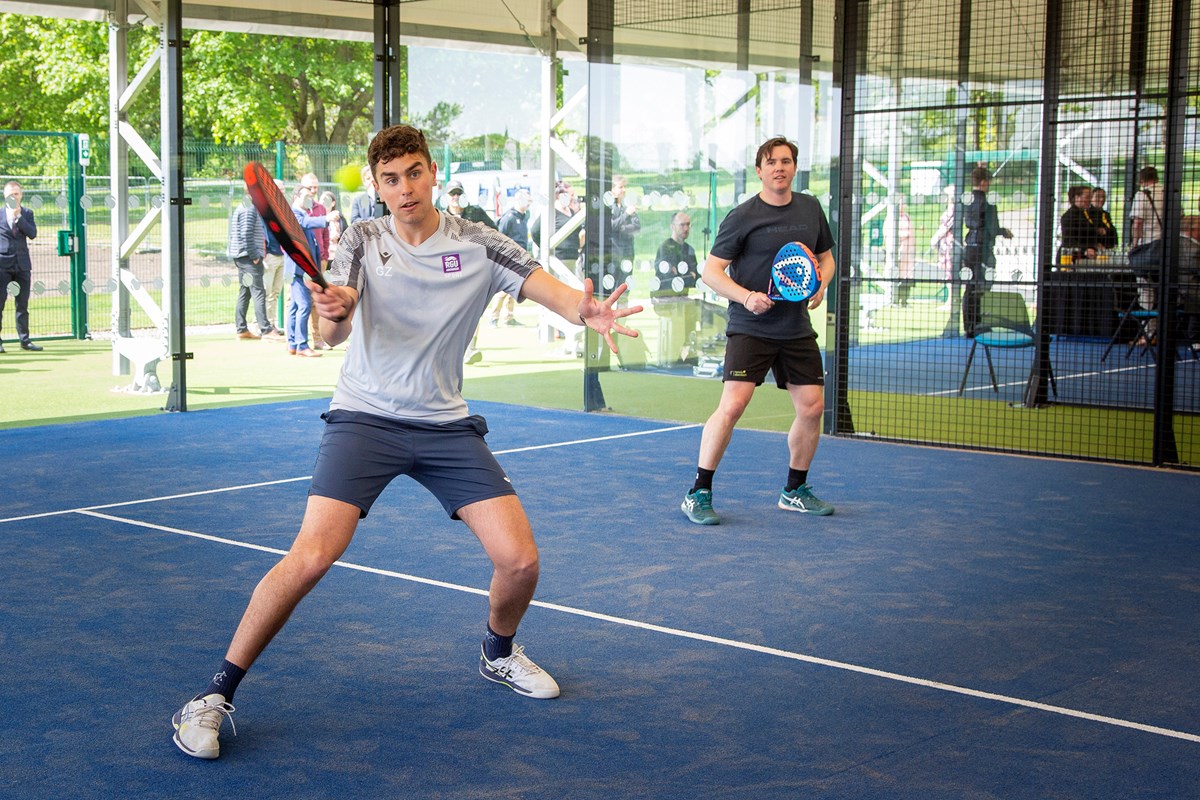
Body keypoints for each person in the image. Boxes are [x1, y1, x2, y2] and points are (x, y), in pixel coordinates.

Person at [170, 124, 642, 760]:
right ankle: (214, 695)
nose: (404, 187)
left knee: (520, 561)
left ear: (432, 173)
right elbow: (333, 330)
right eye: (390, 178)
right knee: (310, 557)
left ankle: (498, 652)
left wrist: (590, 311)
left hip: (446, 426)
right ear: (376, 185)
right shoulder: (363, 239)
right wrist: (333, 311)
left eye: (414, 172)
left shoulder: (481, 243)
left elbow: (557, 296)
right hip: (364, 420)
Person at [679, 136, 836, 526]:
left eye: (786, 161)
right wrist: (747, 297)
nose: (779, 167)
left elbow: (826, 259)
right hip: (750, 327)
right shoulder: (742, 216)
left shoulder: (811, 208)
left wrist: (821, 283)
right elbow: (711, 272)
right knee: (732, 406)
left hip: (796, 327)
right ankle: (698, 491)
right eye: (771, 162)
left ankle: (794, 490)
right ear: (760, 170)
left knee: (812, 408)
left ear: (794, 168)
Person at [283, 184, 337, 358]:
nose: (309, 200)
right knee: (304, 306)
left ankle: (293, 344)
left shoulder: (302, 212)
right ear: (296, 198)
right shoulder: (294, 214)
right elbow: (304, 223)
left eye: (310, 197)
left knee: (295, 307)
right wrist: (326, 218)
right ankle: (302, 345)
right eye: (305, 196)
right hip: (298, 270)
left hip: (301, 269)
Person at [961, 166, 1012, 337]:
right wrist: (1003, 231)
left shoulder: (967, 200)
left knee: (970, 286)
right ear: (983, 182)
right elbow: (992, 227)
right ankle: (979, 322)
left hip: (970, 246)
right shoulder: (988, 202)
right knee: (983, 285)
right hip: (983, 247)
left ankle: (969, 325)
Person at [228, 195, 283, 341]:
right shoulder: (249, 208)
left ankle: (242, 329)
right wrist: (255, 256)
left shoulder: (247, 206)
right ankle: (266, 330)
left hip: (243, 256)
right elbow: (246, 234)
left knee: (245, 291)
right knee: (259, 291)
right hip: (248, 257)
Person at [0, 180, 42, 352]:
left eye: (16, 194)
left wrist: (18, 218)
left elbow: (32, 233)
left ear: (21, 195)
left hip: (22, 265)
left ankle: (25, 341)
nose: (13, 197)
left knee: (22, 305)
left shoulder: (27, 213)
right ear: (4, 196)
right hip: (3, 265)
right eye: (10, 194)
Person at [652, 211, 700, 363]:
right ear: (672, 226)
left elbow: (694, 278)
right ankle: (675, 354)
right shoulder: (665, 248)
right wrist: (686, 276)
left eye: (688, 225)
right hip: (666, 298)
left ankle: (687, 352)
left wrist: (682, 276)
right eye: (682, 225)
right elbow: (670, 278)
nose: (686, 228)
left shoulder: (689, 249)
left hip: (682, 298)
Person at [1129, 166, 1165, 342]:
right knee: (1165, 289)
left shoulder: (1142, 195)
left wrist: (1134, 245)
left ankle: (1150, 333)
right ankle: (1164, 330)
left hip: (1149, 247)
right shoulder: (1168, 193)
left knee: (1146, 289)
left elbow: (1137, 223)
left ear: (1141, 180)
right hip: (1168, 248)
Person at [492, 189, 532, 326]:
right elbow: (499, 237)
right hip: (509, 258)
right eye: (527, 200)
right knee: (504, 289)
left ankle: (508, 317)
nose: (529, 204)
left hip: (522, 257)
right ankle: (494, 316)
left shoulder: (524, 217)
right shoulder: (508, 217)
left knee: (514, 288)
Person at [302, 174, 331, 350]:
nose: (313, 191)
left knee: (317, 300)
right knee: (295, 301)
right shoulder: (296, 209)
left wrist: (325, 254)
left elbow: (325, 233)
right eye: (310, 187)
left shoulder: (321, 208)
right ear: (302, 188)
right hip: (301, 262)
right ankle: (297, 340)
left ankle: (318, 339)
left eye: (315, 187)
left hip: (319, 260)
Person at [930, 185, 957, 308]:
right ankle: (950, 300)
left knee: (950, 272)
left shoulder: (954, 209)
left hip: (950, 243)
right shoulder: (952, 208)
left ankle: (951, 301)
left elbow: (946, 227)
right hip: (946, 243)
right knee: (948, 272)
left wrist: (935, 238)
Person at [885, 201, 916, 306]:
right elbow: (888, 233)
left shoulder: (906, 217)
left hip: (908, 253)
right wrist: (904, 234)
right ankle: (894, 299)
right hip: (898, 253)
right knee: (896, 274)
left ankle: (904, 300)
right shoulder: (891, 217)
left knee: (907, 276)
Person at [1059, 185, 1098, 259]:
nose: (1090, 200)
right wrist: (1085, 249)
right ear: (1077, 197)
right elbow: (1068, 240)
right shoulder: (1069, 216)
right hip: (1071, 257)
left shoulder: (1086, 214)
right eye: (1087, 197)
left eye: (1091, 197)